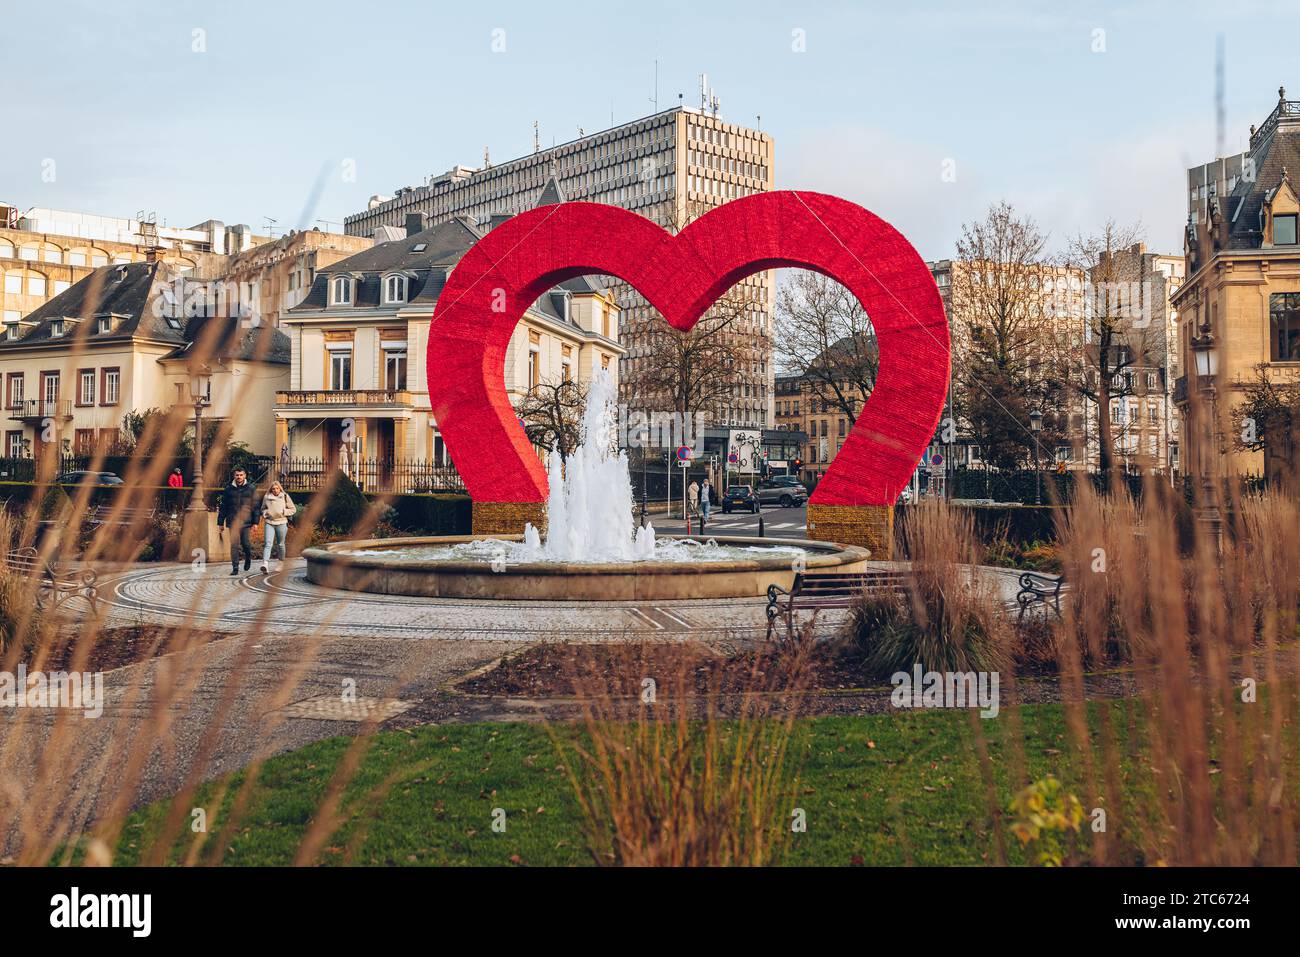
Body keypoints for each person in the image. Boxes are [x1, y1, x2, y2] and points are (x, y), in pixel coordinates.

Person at [217, 467, 257, 575]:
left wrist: (255, 522)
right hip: (232, 521)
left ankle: (248, 557)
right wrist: (220, 523)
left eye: (241, 475)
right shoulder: (228, 489)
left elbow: (255, 506)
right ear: (234, 476)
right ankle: (235, 567)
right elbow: (223, 507)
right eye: (237, 475)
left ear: (245, 476)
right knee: (234, 545)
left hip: (246, 522)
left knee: (245, 544)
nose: (239, 477)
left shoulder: (251, 488)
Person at [259, 479, 296, 574]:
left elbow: (293, 509)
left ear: (280, 489)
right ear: (271, 490)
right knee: (268, 544)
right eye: (273, 489)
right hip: (269, 522)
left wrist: (284, 512)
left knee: (281, 544)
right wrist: (265, 513)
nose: (275, 490)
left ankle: (281, 563)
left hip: (282, 522)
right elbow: (263, 509)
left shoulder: (285, 496)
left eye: (277, 488)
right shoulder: (267, 497)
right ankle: (265, 564)